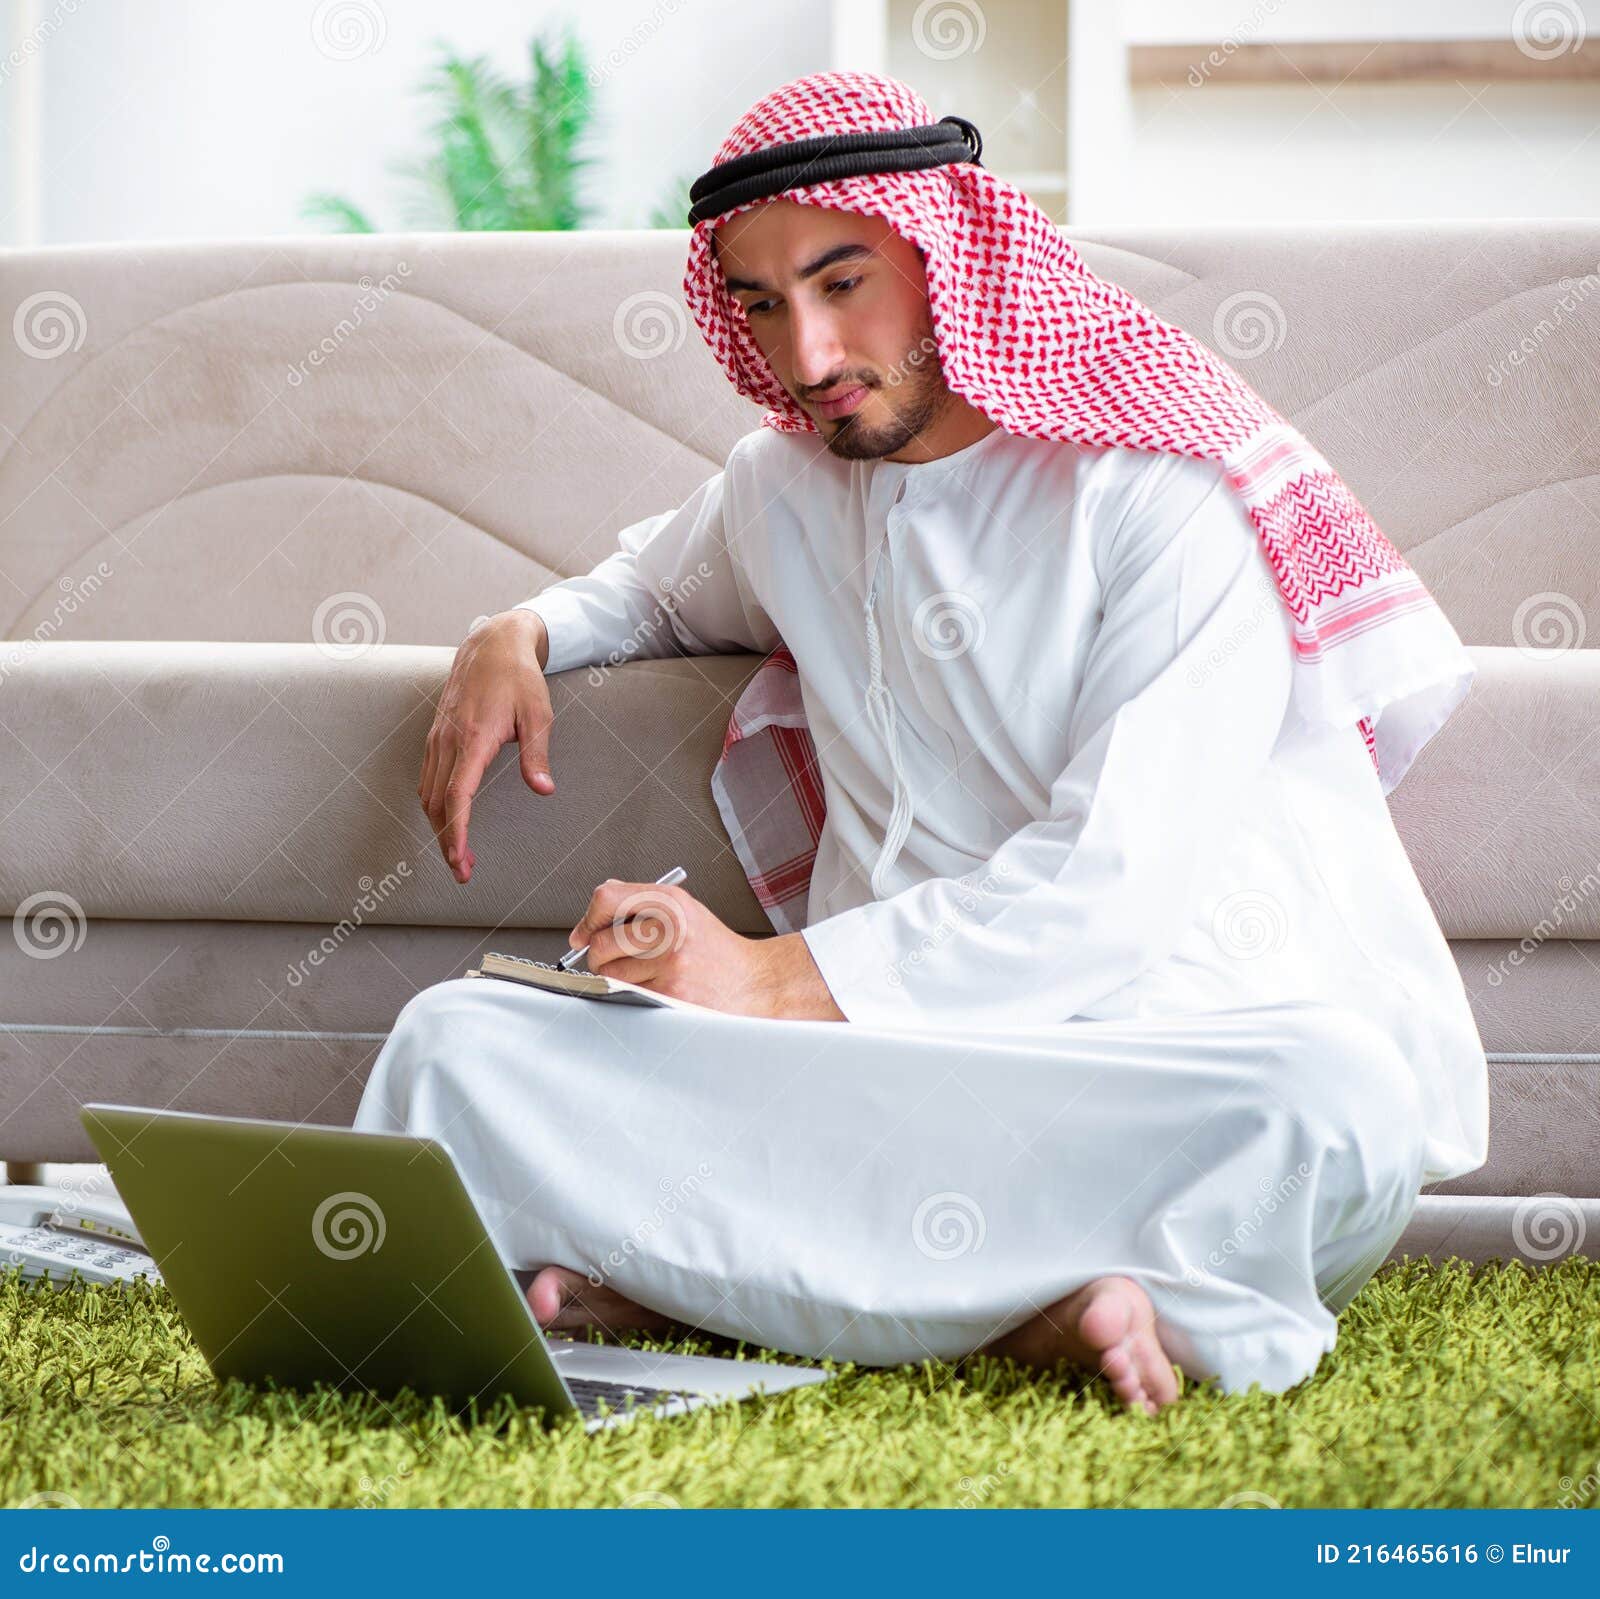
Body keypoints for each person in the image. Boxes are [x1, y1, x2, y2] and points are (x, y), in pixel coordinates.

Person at [359, 72, 1489, 1416]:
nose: (811, 357)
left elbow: (1108, 892)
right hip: (875, 1073)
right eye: (765, 305)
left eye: (846, 284)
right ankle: (1036, 1309)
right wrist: (518, 631)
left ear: (947, 255)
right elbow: (649, 591)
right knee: (459, 1044)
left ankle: (717, 1281)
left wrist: (761, 979)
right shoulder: (780, 489)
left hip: (1144, 1057)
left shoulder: (1161, 497)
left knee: (1329, 1097)